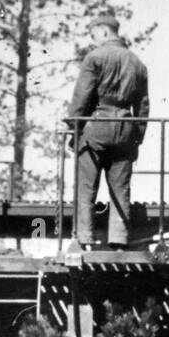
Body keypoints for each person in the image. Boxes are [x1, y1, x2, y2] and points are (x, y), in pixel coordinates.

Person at [68, 14, 149, 249]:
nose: (93, 41)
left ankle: (84, 238)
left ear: (104, 32)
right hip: (126, 131)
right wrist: (138, 137)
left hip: (96, 127)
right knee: (120, 188)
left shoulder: (94, 58)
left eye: (93, 35)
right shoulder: (137, 63)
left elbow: (81, 98)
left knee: (86, 186)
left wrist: (73, 129)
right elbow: (143, 106)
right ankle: (119, 239)